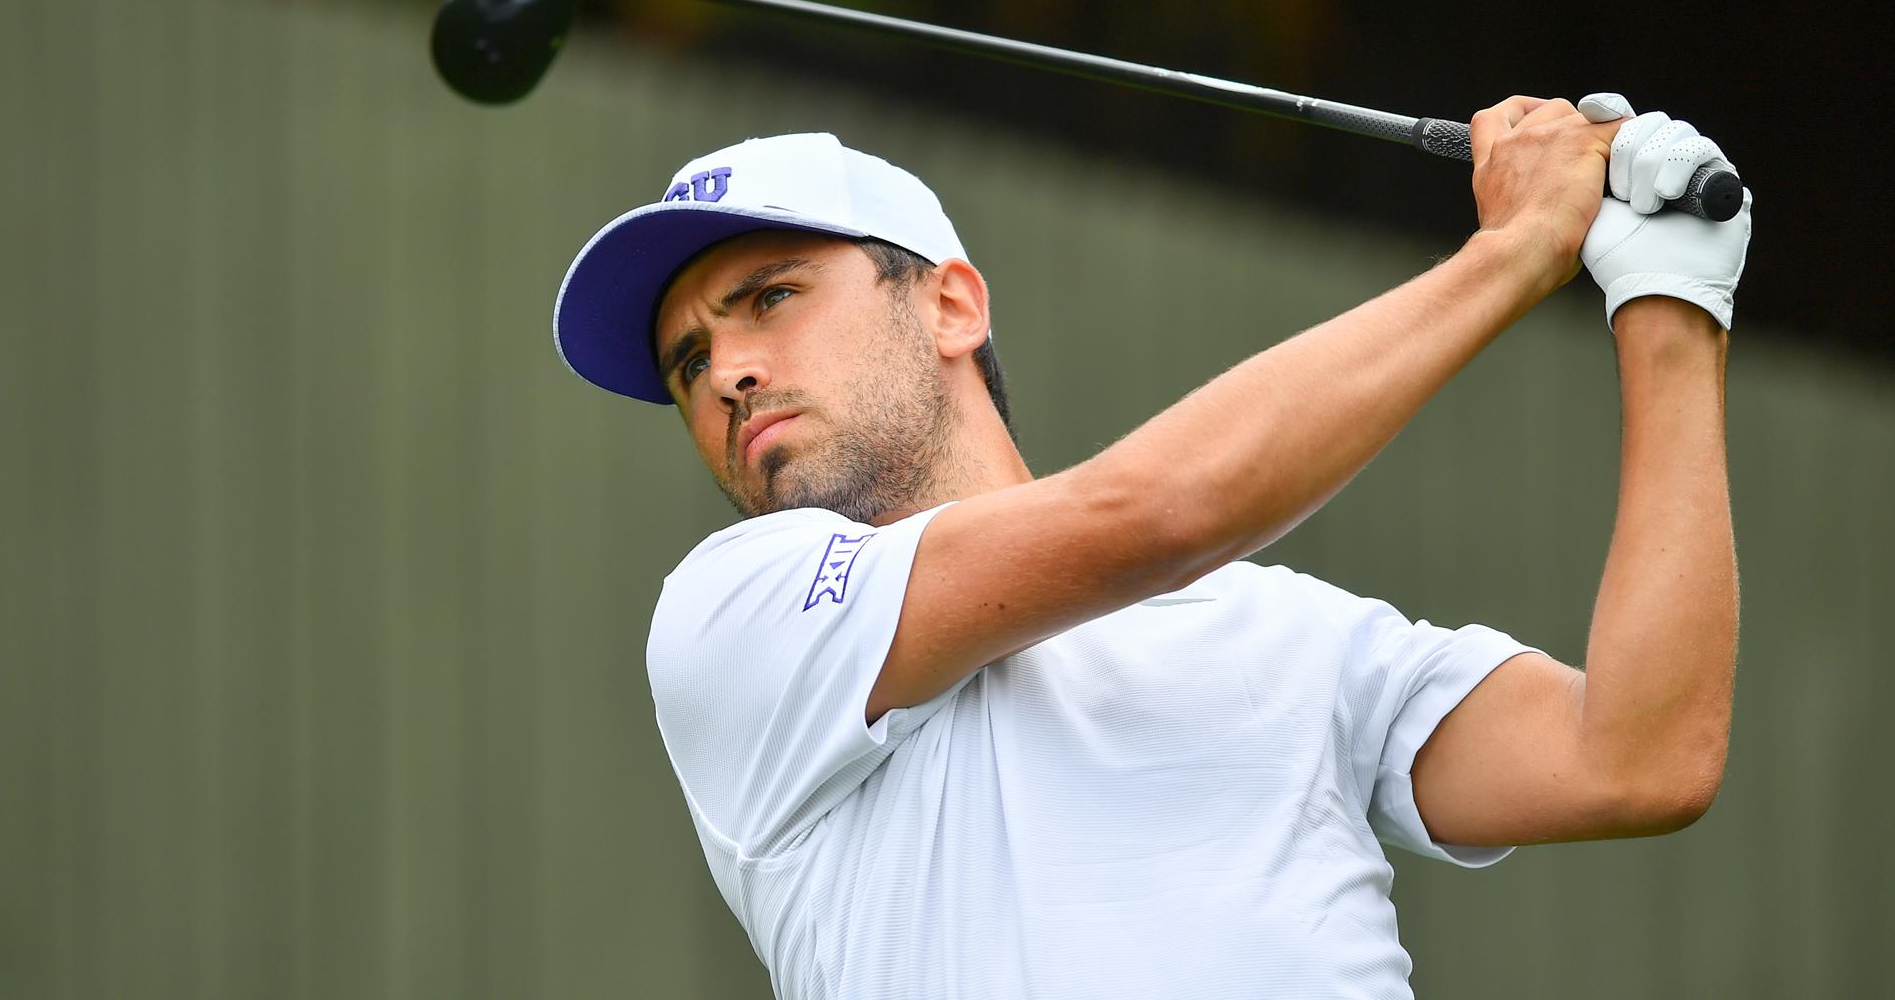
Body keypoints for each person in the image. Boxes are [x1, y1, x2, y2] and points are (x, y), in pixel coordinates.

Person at [551, 93, 1749, 999]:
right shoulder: (734, 620)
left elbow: (1636, 761)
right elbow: (1155, 517)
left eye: (769, 298)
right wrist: (1516, 248)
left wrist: (1669, 303)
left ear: (949, 305)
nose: (728, 372)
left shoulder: (1289, 632)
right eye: (688, 360)